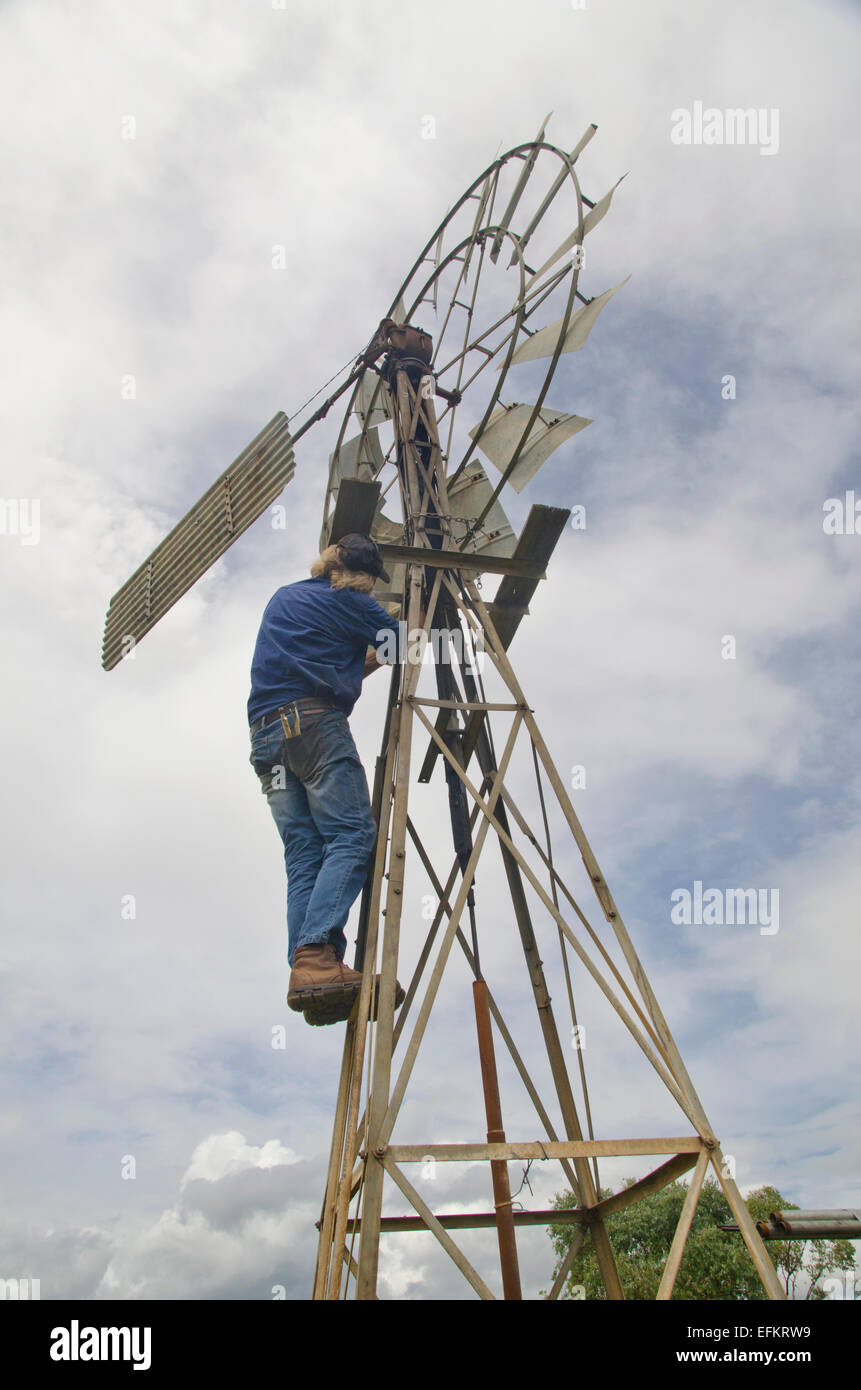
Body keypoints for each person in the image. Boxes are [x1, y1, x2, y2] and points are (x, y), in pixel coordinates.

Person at [247, 533, 407, 1026]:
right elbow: (401, 644)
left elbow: (309, 654)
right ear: (363, 579)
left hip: (266, 739)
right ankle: (318, 953)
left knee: (304, 854)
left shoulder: (287, 595)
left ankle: (308, 967)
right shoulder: (353, 603)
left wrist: (347, 663)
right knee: (352, 835)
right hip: (316, 726)